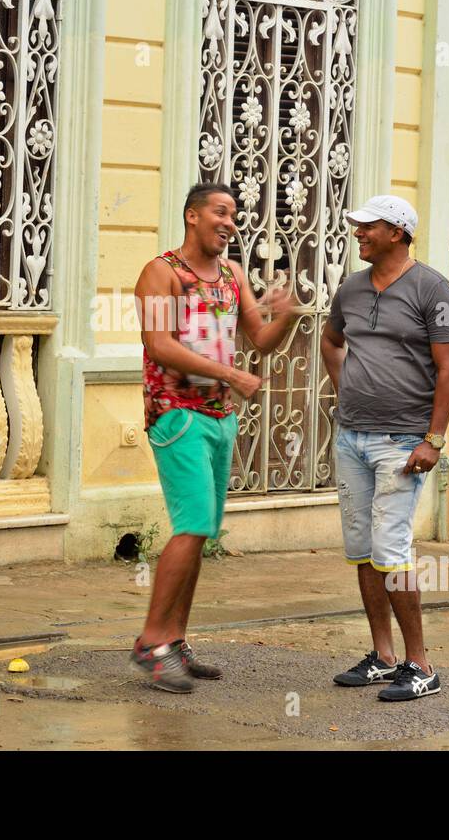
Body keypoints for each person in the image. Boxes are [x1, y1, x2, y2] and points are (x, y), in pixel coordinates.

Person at [130, 182, 298, 692]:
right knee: (194, 524)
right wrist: (229, 375)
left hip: (220, 418)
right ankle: (151, 644)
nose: (229, 222)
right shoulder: (161, 272)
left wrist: (285, 314)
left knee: (201, 532)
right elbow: (157, 345)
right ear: (192, 216)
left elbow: (261, 341)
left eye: (234, 214)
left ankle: (175, 642)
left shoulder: (232, 275)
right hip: (176, 414)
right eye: (220, 212)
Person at [320, 194, 449, 701]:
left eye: (368, 227)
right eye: (357, 226)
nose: (358, 233)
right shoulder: (352, 290)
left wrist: (434, 439)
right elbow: (332, 342)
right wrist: (348, 390)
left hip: (403, 443)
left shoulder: (433, 290)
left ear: (398, 232)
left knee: (391, 549)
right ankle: (383, 657)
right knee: (362, 550)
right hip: (352, 437)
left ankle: (420, 665)